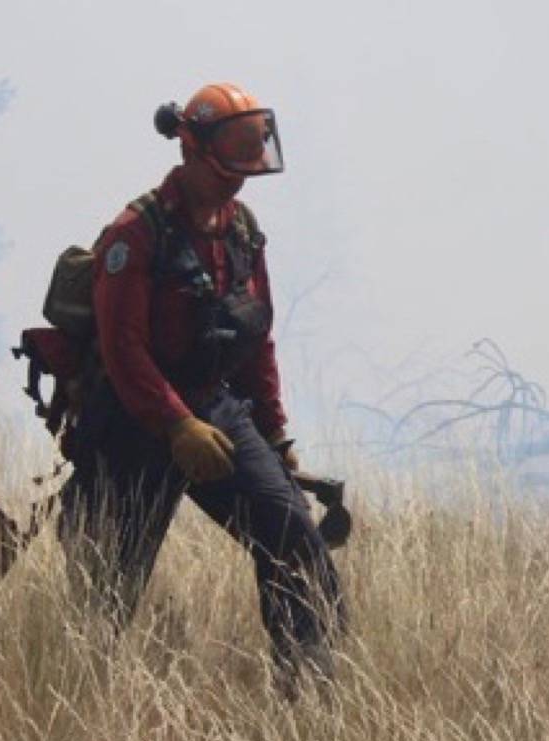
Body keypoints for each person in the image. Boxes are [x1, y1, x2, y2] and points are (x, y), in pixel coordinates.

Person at [58, 82, 345, 691]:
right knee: (105, 591)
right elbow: (123, 349)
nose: (236, 185)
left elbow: (255, 335)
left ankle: (310, 689)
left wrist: (274, 433)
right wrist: (174, 423)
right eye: (225, 172)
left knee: (292, 535)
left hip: (214, 408)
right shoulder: (134, 234)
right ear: (188, 151)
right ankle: (76, 706)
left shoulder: (242, 229)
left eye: (245, 172)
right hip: (133, 422)